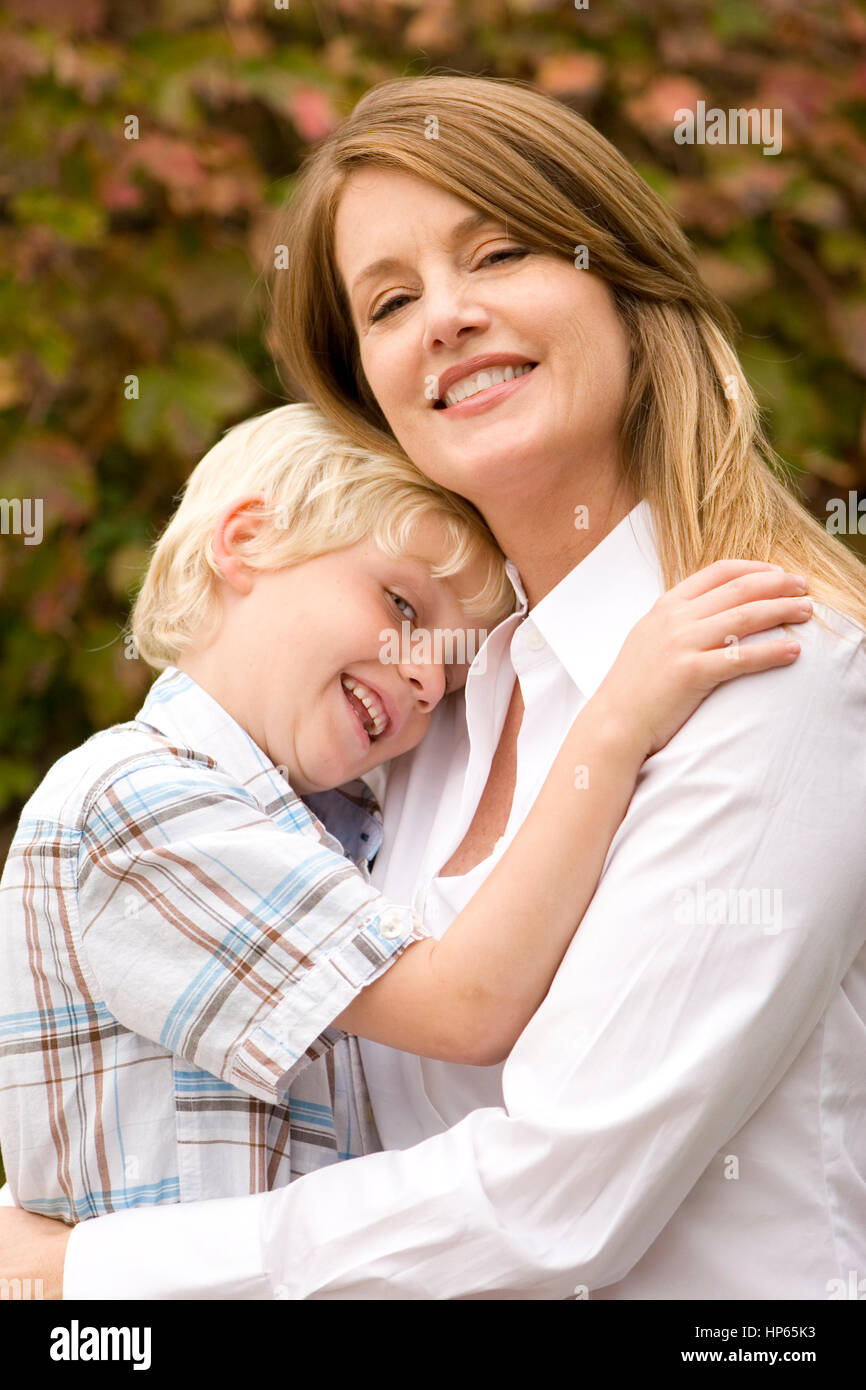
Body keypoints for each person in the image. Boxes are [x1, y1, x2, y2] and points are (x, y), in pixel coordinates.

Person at [2, 74, 865, 1300]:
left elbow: (558, 1202)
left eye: (499, 251)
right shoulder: (416, 723)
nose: (445, 319)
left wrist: (92, 1271)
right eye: (391, 301)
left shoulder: (769, 666)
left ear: (622, 283)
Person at [0, 399, 800, 1222]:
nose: (426, 681)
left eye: (452, 681)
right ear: (245, 542)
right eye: (404, 609)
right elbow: (464, 1005)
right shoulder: (137, 803)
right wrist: (615, 724)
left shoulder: (328, 828)